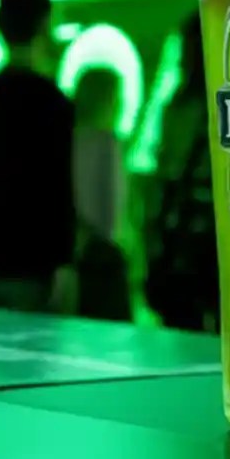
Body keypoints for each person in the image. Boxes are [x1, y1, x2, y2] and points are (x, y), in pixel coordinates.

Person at [0, 0, 76, 312]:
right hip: (33, 260)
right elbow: (57, 186)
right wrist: (64, 259)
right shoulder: (52, 100)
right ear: (43, 25)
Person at [144, 14, 219, 332]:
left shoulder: (177, 108)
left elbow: (163, 175)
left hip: (180, 237)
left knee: (182, 331)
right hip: (220, 234)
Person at [72, 67, 132, 322]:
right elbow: (112, 205)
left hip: (74, 249)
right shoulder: (107, 141)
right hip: (101, 253)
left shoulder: (67, 139)